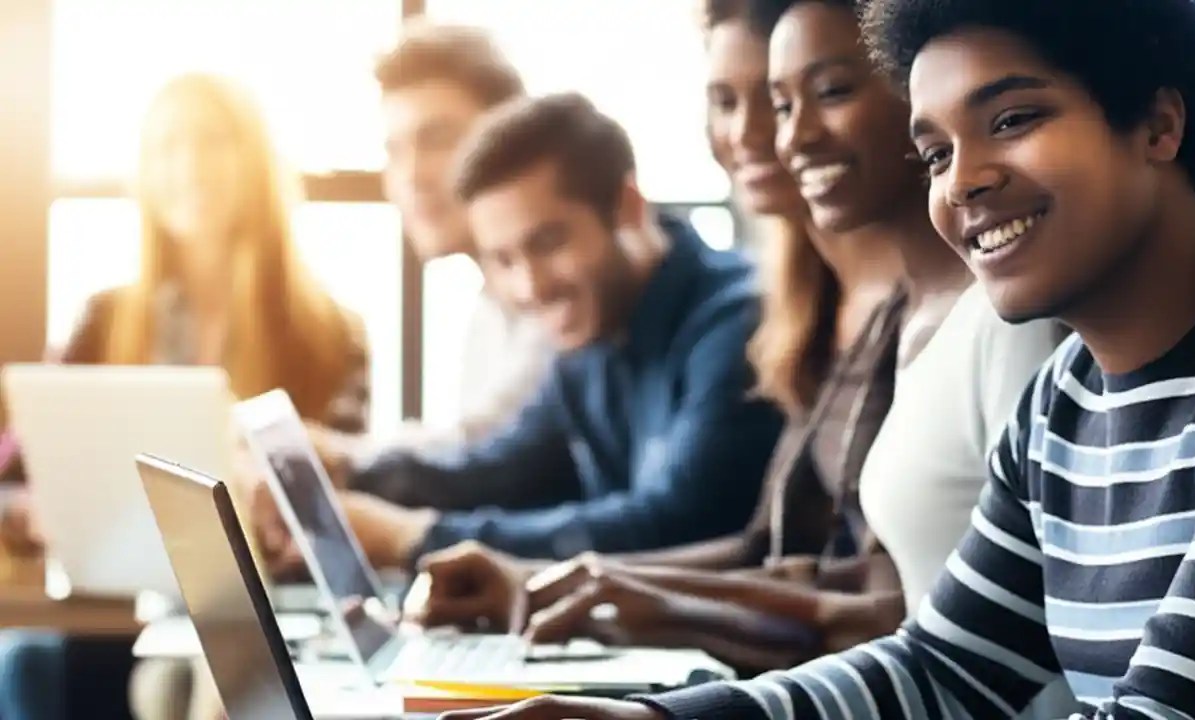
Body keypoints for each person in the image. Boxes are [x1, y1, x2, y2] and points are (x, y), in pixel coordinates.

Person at [442, 0, 1195, 717]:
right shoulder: (1062, 400)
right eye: (937, 153)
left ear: (1159, 123)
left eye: (1013, 120)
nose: (963, 184)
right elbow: (942, 671)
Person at [415, 0, 1066, 689]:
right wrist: (572, 584)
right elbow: (783, 554)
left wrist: (634, 601)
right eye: (749, 102)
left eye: (829, 92)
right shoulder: (871, 314)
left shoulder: (995, 321)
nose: (775, 135)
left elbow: (903, 619)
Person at [270, 91, 784, 573]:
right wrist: (346, 473)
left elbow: (674, 523)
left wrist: (414, 536)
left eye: (549, 242)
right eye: (503, 259)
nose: (529, 286)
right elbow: (499, 470)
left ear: (627, 207)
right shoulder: (589, 338)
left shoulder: (736, 322)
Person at [0, 73, 369, 720]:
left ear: (254, 161)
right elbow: (10, 482)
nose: (189, 165)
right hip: (121, 615)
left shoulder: (329, 335)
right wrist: (35, 511)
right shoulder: (101, 322)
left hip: (268, 620)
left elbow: (338, 503)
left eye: (211, 141)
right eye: (167, 146)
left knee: (207, 681)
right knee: (31, 665)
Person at [306, 19, 552, 473]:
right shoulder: (486, 312)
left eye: (436, 139)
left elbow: (485, 447)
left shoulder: (553, 295)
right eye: (394, 151)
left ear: (509, 137)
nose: (412, 175)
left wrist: (339, 455)